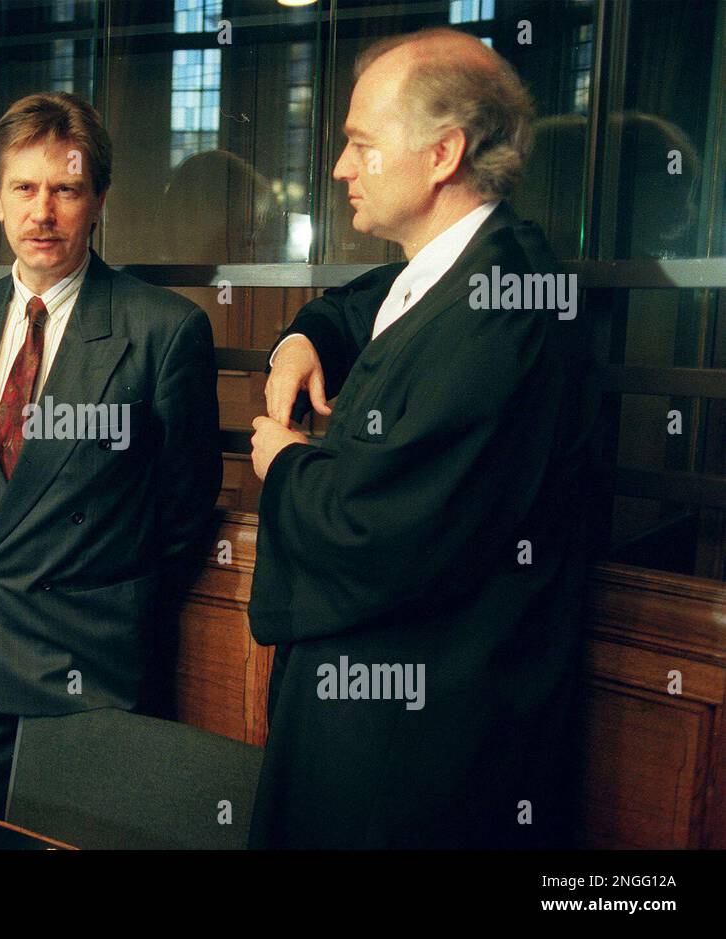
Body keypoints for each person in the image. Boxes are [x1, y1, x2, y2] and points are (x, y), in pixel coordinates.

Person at [248, 28, 593, 848]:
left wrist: (284, 462)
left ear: (443, 154)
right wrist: (302, 339)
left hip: (417, 753)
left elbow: (382, 530)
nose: (339, 168)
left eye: (361, 145)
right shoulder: (460, 263)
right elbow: (365, 303)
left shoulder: (503, 306)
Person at [0, 92, 221, 818]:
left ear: (97, 199)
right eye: (24, 188)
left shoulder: (164, 329)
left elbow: (184, 509)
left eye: (66, 189)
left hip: (92, 666)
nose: (43, 212)